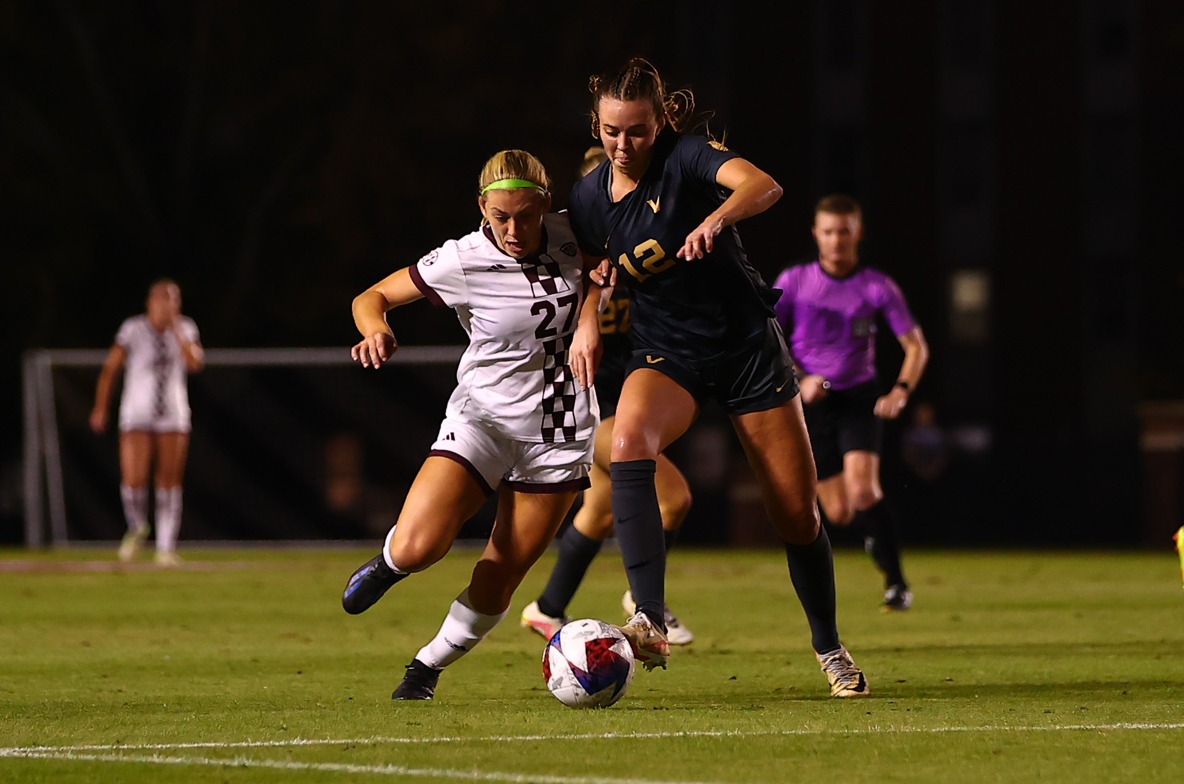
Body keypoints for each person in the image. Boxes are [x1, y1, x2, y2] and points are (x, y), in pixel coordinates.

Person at [566, 56, 869, 697]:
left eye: (638, 131)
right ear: (596, 124)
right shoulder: (589, 198)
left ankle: (830, 648)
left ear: (660, 123)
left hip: (745, 349)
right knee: (629, 441)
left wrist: (716, 218)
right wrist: (589, 318)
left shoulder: (687, 158)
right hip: (668, 351)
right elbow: (592, 269)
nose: (624, 144)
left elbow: (764, 185)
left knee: (797, 516)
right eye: (612, 131)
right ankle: (648, 617)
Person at [339, 149, 603, 701]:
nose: (513, 230)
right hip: (482, 420)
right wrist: (376, 329)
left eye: (525, 216)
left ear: (545, 205)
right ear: (482, 207)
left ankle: (424, 669)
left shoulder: (576, 233)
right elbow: (372, 297)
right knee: (419, 547)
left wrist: (589, 317)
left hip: (558, 433)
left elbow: (609, 269)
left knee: (499, 574)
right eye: (500, 217)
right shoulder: (462, 258)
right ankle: (391, 563)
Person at [520, 147, 695, 646]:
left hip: (625, 401)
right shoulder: (569, 262)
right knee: (674, 499)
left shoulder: (641, 253)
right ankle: (645, 599)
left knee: (597, 512)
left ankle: (546, 608)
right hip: (588, 405)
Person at [772, 194, 930, 611]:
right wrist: (801, 378)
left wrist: (900, 391)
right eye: (828, 232)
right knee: (839, 512)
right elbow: (769, 338)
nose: (836, 240)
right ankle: (874, 535)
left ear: (858, 233)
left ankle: (897, 583)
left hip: (859, 397)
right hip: (812, 403)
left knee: (864, 491)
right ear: (816, 234)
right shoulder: (795, 281)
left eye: (844, 232)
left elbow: (916, 347)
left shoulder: (876, 286)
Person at [89, 278, 204, 567]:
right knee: (134, 477)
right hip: (137, 413)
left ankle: (166, 547)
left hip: (173, 413)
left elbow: (195, 362)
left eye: (174, 298)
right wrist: (101, 407)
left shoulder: (186, 328)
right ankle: (137, 526)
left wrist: (177, 330)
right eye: (164, 298)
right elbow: (110, 368)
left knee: (169, 480)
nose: (169, 304)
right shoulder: (133, 329)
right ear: (150, 302)